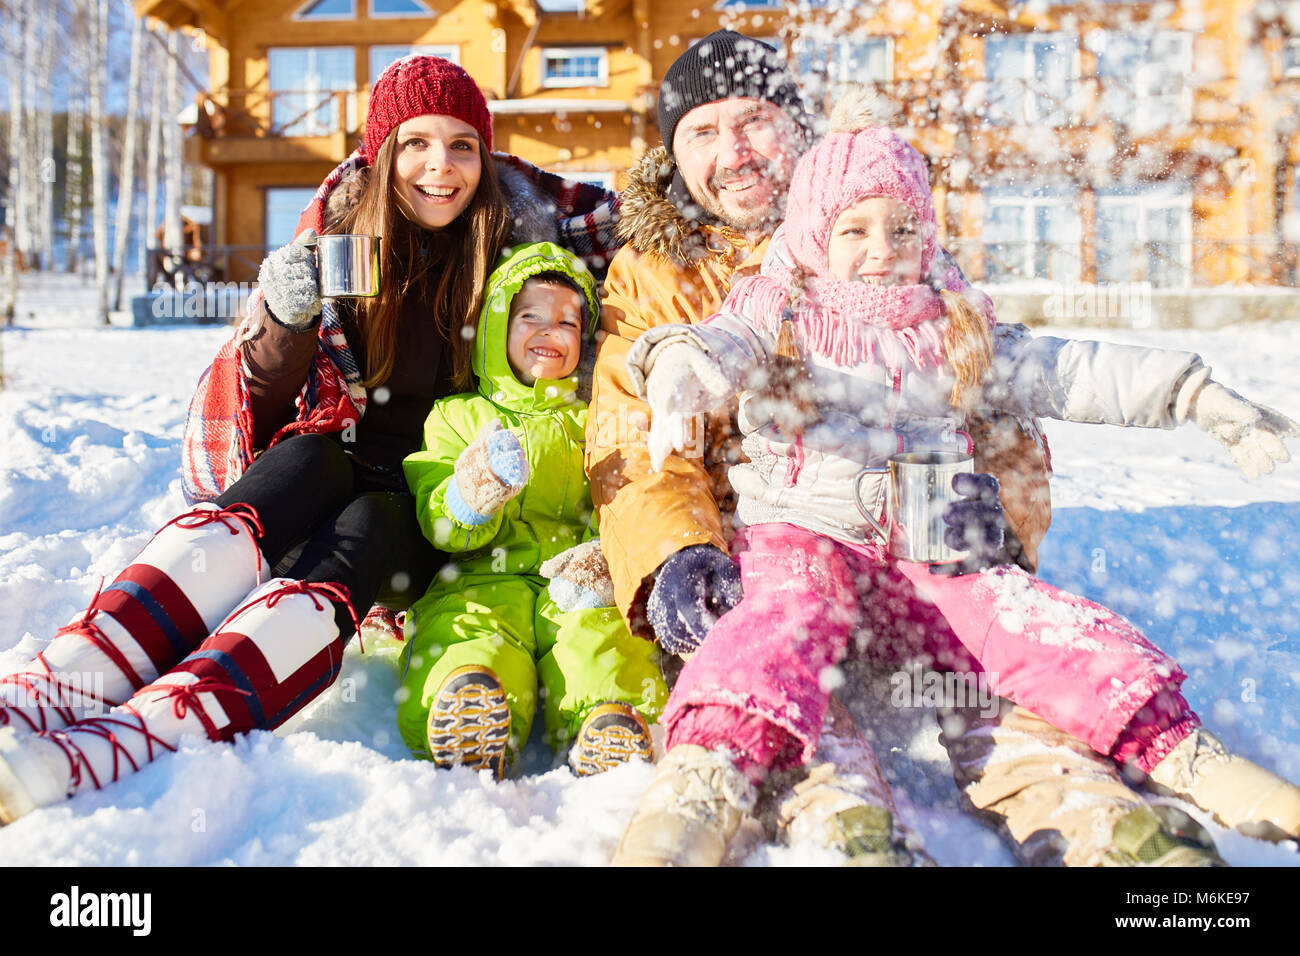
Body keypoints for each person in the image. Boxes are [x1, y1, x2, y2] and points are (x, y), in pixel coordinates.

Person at [612, 101, 1300, 866]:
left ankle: (1175, 749)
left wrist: (1192, 392)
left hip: (929, 523)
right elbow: (715, 343)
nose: (883, 251)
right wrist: (678, 374)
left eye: (902, 228)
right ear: (814, 235)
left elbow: (1065, 368)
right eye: (855, 230)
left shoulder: (955, 322)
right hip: (804, 529)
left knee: (1012, 612)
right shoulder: (781, 308)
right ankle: (705, 777)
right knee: (778, 621)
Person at [0, 56, 621, 823]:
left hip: (428, 506)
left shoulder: (512, 236)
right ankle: (66, 677)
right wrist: (284, 323)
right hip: (323, 474)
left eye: (462, 144)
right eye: (417, 143)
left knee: (372, 520)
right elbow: (256, 399)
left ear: (485, 155)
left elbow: (634, 239)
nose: (441, 167)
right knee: (305, 455)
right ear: (381, 152)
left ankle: (153, 727)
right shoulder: (337, 230)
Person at [395, 242, 666, 778]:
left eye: (568, 322)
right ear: (497, 328)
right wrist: (471, 496)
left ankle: (608, 721)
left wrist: (602, 555)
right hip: (479, 577)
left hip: (574, 580)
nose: (550, 331)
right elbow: (438, 517)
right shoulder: (458, 415)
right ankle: (471, 705)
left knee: (601, 636)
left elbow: (623, 500)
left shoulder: (595, 418)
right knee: (468, 630)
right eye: (531, 316)